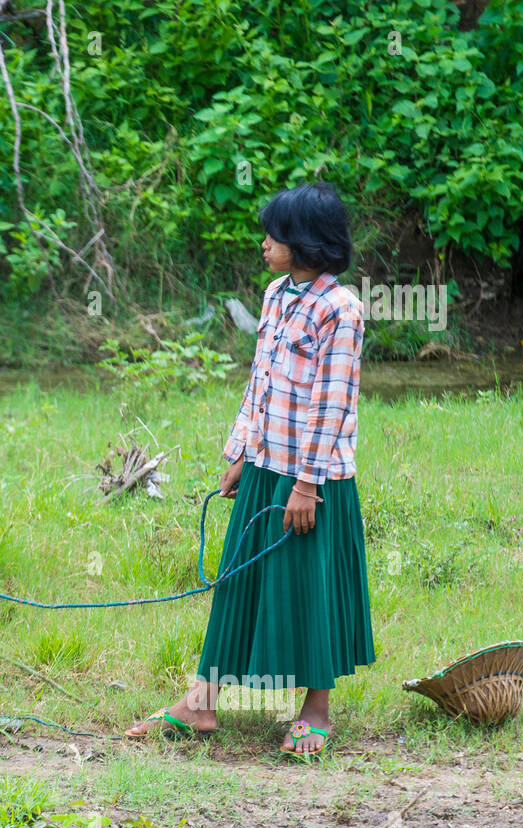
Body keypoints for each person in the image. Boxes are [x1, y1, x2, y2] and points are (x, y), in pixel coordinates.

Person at [125, 182, 375, 755]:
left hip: (313, 479)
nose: (264, 244)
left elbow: (332, 404)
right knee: (239, 582)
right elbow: (259, 379)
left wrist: (307, 484)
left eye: (275, 235)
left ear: (306, 243)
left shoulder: (341, 309)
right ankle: (202, 703)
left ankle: (316, 710)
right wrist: (240, 451)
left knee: (308, 590)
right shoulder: (276, 295)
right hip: (264, 466)